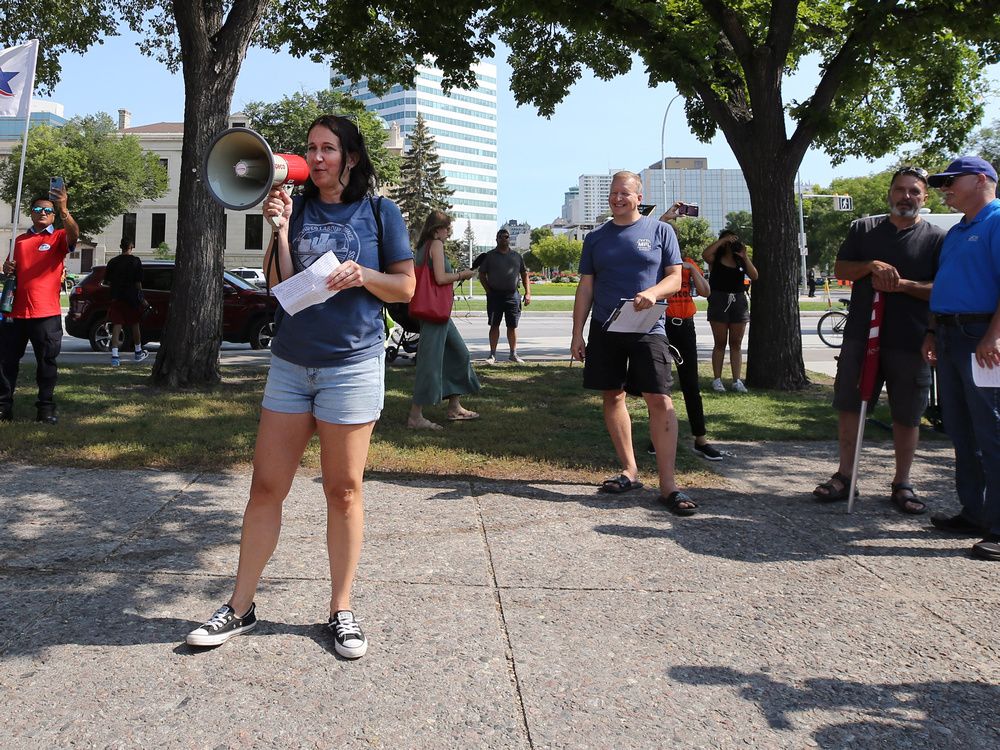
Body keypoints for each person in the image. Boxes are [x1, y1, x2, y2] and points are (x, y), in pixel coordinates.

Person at [186, 115, 415, 656]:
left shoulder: (381, 213)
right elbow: (279, 285)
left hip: (352, 366)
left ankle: (341, 610)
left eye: (328, 149)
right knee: (266, 488)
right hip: (291, 365)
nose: (316, 158)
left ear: (350, 158)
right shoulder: (298, 206)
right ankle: (240, 606)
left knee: (343, 491)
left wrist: (362, 275)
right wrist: (280, 230)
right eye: (310, 149)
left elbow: (404, 288)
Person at [811, 167, 943, 513]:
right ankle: (845, 475)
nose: (906, 197)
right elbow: (841, 270)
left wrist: (902, 286)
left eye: (914, 192)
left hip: (910, 340)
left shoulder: (936, 239)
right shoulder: (863, 230)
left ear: (924, 197)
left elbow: (942, 291)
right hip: (861, 336)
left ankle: (902, 483)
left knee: (908, 412)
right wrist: (870, 267)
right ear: (890, 194)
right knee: (851, 405)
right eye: (900, 190)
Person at [570, 171, 697, 516]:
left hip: (648, 326)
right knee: (613, 395)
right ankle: (630, 471)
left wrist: (652, 293)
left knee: (660, 398)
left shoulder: (661, 231)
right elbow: (586, 287)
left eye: (624, 193)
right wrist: (577, 333)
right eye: (613, 193)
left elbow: (674, 278)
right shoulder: (596, 237)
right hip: (605, 328)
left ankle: (668, 485)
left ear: (639, 198)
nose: (617, 198)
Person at [922, 156, 1000, 560]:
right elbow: (947, 284)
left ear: (982, 179)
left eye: (952, 181)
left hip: (981, 336)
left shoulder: (997, 220)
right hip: (952, 335)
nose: (945, 188)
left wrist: (994, 334)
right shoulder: (959, 231)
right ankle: (975, 512)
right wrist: (934, 330)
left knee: (992, 429)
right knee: (961, 428)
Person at [650, 203, 723, 461]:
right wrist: (664, 218)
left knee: (690, 383)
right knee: (659, 385)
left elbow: (706, 292)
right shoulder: (656, 265)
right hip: (661, 327)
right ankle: (656, 438)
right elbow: (650, 233)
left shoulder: (688, 264)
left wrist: (691, 270)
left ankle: (700, 439)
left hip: (685, 327)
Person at [0, 188, 79, 424]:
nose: (42, 213)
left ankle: (46, 407)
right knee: (5, 362)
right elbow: (10, 271)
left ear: (53, 216)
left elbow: (74, 235)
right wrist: (7, 270)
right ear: (31, 214)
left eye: (48, 210)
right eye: (37, 209)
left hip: (46, 314)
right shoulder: (20, 240)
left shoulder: (58, 238)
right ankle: (4, 406)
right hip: (15, 312)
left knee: (46, 363)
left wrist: (64, 208)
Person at [407, 210, 481, 429]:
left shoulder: (423, 247)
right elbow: (440, 278)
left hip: (438, 314)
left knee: (459, 353)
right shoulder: (436, 245)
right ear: (437, 229)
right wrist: (462, 275)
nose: (449, 232)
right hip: (434, 314)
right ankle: (415, 416)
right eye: (447, 228)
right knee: (429, 363)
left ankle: (454, 406)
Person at [703, 230, 758, 393]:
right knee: (720, 342)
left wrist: (745, 256)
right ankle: (717, 379)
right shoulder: (716, 259)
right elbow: (705, 255)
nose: (732, 244)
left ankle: (736, 380)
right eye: (730, 241)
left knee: (736, 343)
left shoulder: (740, 260)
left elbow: (754, 275)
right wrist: (723, 240)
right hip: (719, 300)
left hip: (738, 301)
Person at [478, 228, 531, 363]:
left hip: (512, 296)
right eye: (501, 237)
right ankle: (492, 355)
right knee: (494, 325)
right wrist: (488, 291)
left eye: (506, 237)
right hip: (495, 296)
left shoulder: (516, 256)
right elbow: (482, 274)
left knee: (512, 326)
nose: (504, 239)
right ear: (497, 239)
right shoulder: (489, 256)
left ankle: (513, 354)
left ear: (509, 239)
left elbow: (524, 274)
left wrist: (528, 293)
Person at [105, 238, 149, 366]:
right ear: (132, 246)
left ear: (120, 246)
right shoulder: (135, 261)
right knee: (135, 324)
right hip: (132, 297)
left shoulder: (113, 262)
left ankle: (114, 356)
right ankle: (138, 352)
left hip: (117, 297)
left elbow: (107, 281)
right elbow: (138, 282)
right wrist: (141, 297)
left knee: (117, 326)